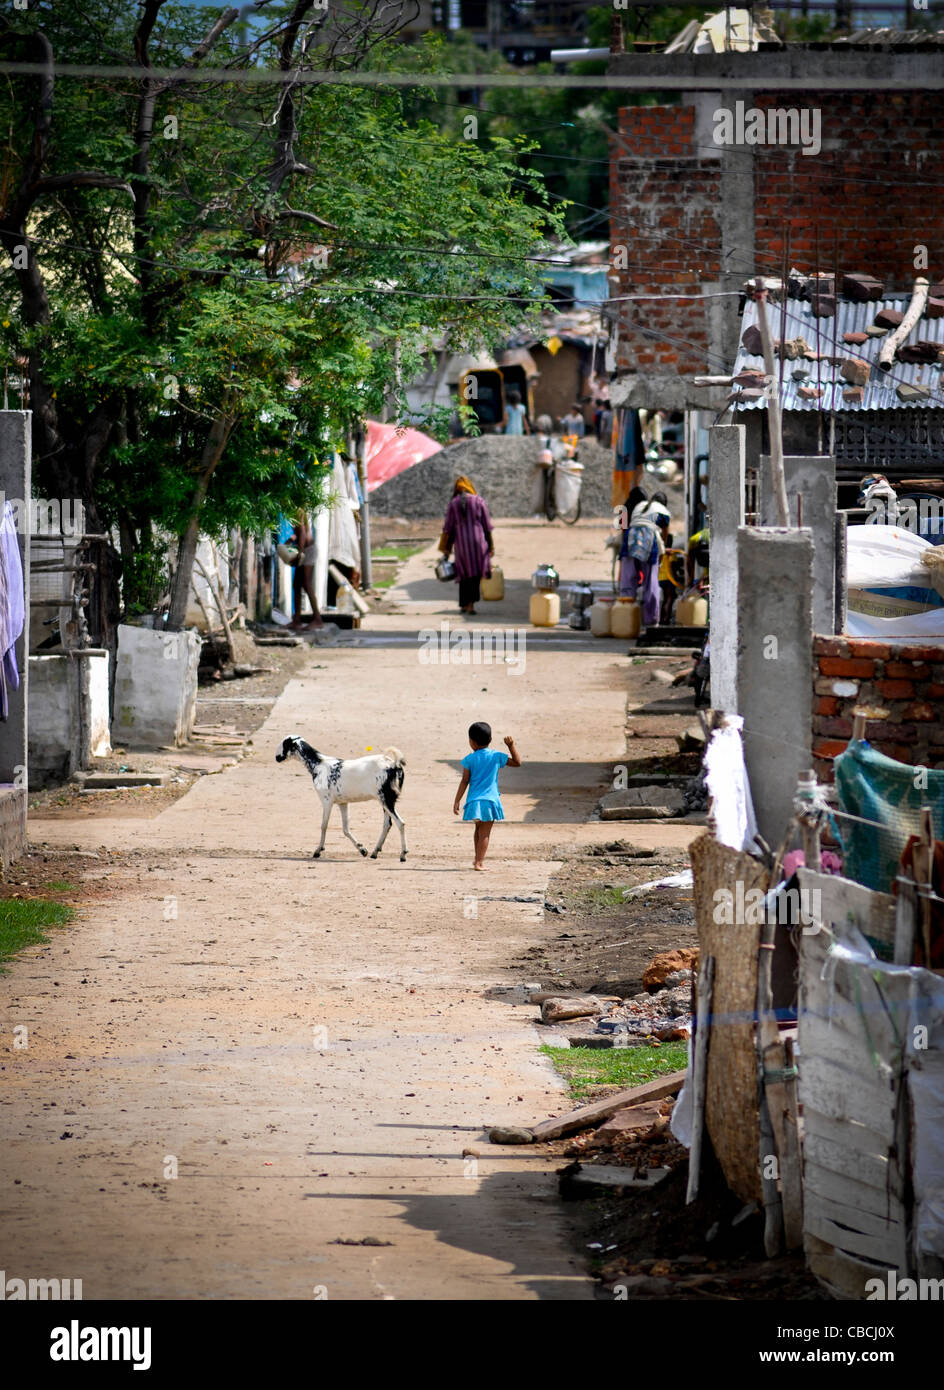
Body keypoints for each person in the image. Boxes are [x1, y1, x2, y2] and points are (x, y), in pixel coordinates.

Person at [453, 721, 522, 871]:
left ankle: (477, 858)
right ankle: (479, 862)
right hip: (490, 801)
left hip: (474, 801)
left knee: (478, 829)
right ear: (490, 740)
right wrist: (511, 746)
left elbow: (464, 781)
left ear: (471, 742)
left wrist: (457, 800)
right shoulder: (496, 756)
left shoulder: (469, 759)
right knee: (485, 833)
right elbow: (517, 762)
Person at [439, 476, 494, 615]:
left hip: (462, 545)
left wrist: (447, 550)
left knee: (463, 574)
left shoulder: (453, 504)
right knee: (475, 575)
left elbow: (448, 529)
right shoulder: (479, 501)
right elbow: (487, 527)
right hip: (478, 543)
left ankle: (464, 604)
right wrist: (491, 546)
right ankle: (471, 605)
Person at [291, 512, 324, 630]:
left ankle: (317, 619)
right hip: (305, 551)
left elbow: (303, 533)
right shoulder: (294, 511)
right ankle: (297, 620)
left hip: (308, 551)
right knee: (296, 585)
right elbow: (298, 533)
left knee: (307, 584)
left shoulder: (298, 510)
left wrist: (299, 554)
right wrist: (290, 540)